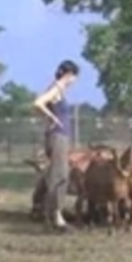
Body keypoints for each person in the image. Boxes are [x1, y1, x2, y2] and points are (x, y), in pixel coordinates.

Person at [32, 59, 80, 232]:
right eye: (75, 76)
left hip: (61, 136)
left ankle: (45, 211)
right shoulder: (57, 88)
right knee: (60, 176)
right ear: (69, 74)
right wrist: (52, 118)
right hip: (57, 136)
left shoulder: (59, 89)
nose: (75, 81)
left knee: (58, 174)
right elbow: (38, 103)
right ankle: (56, 217)